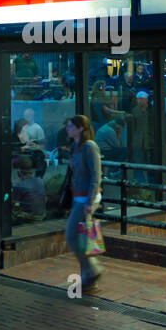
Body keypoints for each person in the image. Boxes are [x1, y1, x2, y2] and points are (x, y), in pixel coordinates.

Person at [64, 116, 104, 289]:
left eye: (71, 126)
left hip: (87, 197)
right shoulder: (74, 148)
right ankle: (87, 276)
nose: (68, 129)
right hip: (77, 196)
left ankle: (92, 268)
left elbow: (96, 175)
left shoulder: (89, 147)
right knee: (81, 237)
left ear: (80, 128)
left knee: (71, 235)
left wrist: (89, 200)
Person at [11, 159, 47, 223]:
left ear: (19, 171)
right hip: (42, 216)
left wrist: (16, 205)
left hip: (28, 217)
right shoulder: (40, 181)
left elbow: (16, 204)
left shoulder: (19, 186)